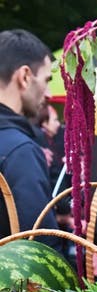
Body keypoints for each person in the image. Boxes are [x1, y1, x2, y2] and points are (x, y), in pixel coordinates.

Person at [0, 29, 70, 256]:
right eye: (46, 80)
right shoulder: (20, 150)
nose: (49, 93)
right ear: (25, 76)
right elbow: (40, 246)